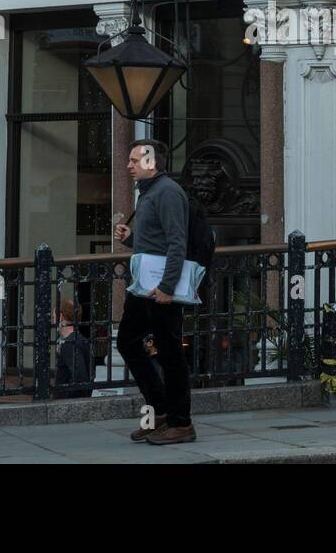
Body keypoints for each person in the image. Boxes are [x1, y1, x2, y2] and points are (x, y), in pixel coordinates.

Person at [115, 139, 194, 445]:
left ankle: (181, 423)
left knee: (171, 353)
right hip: (143, 286)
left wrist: (167, 287)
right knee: (127, 342)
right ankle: (160, 410)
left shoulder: (168, 193)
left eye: (135, 160)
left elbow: (177, 243)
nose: (129, 164)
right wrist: (130, 239)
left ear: (152, 163)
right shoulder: (147, 193)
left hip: (160, 288)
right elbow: (155, 243)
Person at [53, 298, 94, 398]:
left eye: (54, 316)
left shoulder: (70, 343)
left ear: (61, 317)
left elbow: (80, 378)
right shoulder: (80, 339)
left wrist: (64, 397)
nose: (52, 319)